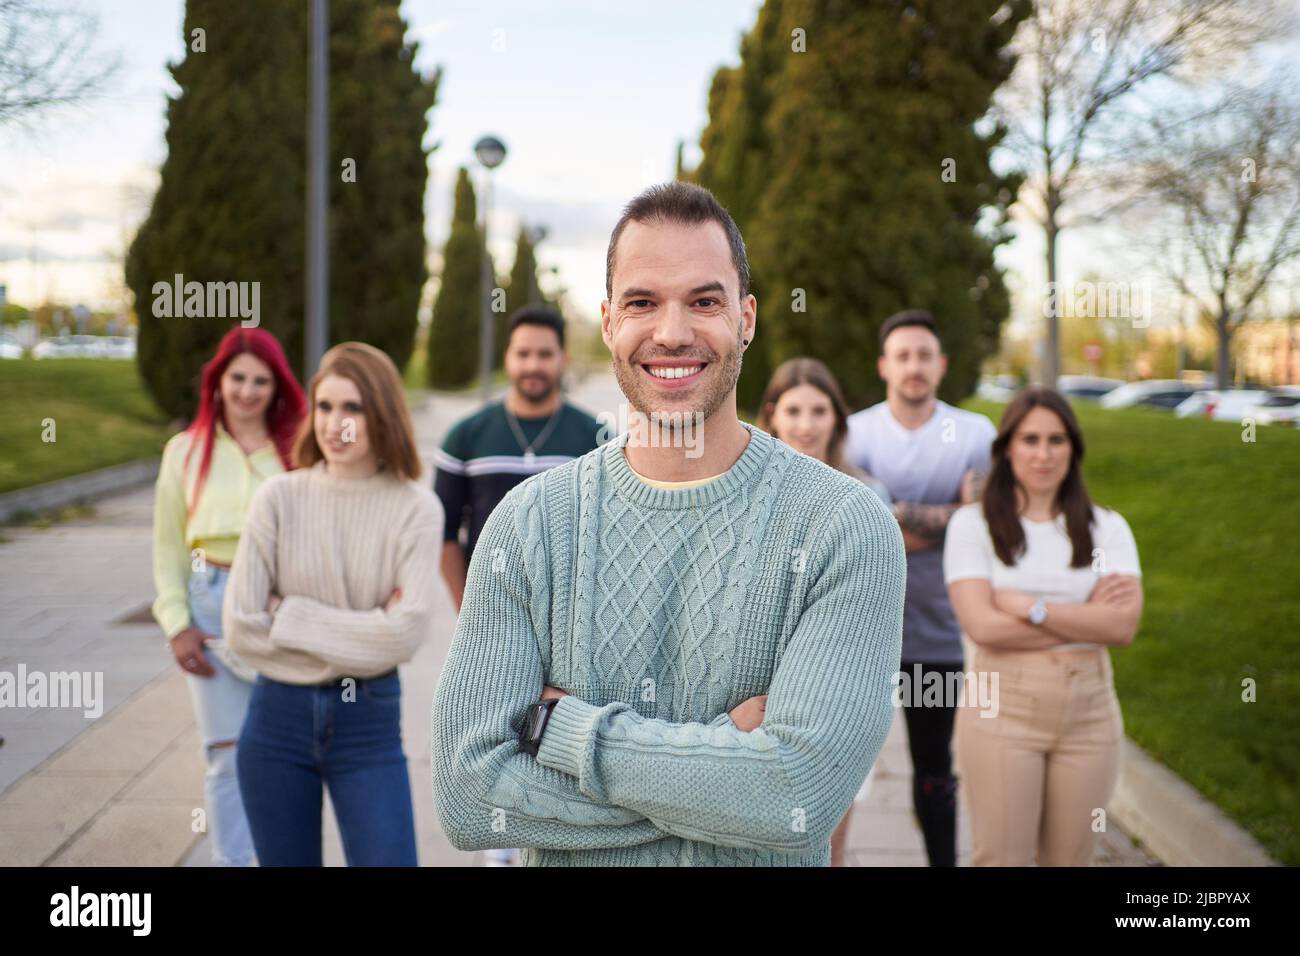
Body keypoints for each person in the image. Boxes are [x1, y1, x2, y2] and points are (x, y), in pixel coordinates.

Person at [431, 181, 905, 867]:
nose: (673, 332)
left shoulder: (843, 527)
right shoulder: (528, 524)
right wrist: (724, 769)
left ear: (746, 318)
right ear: (607, 323)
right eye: (643, 302)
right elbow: (470, 797)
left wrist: (564, 730)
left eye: (704, 301)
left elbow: (796, 800)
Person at [223, 342, 443, 866]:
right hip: (276, 719)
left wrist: (287, 614)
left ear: (382, 413)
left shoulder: (416, 508)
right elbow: (239, 627)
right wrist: (364, 629)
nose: (334, 424)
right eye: (324, 407)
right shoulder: (278, 498)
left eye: (353, 408)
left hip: (367, 723)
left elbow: (404, 633)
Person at [433, 304, 604, 866]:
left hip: (577, 629)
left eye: (545, 353)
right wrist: (471, 615)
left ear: (562, 358)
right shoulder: (466, 436)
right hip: (495, 621)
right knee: (493, 744)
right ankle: (502, 853)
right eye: (523, 353)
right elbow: (445, 536)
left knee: (562, 739)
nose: (533, 364)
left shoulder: (596, 436)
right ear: (509, 357)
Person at [944, 386, 1143, 866]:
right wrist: (1086, 619)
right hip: (1003, 711)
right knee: (1002, 859)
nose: (1043, 453)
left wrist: (1032, 609)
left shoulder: (1106, 528)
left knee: (1071, 860)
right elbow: (984, 627)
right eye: (1030, 439)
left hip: (1090, 713)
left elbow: (1122, 626)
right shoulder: (973, 526)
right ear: (1008, 447)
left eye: (1056, 440)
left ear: (1072, 448)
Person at [845, 309, 996, 866]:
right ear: (884, 365)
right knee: (839, 764)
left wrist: (896, 515)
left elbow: (986, 526)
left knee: (935, 770)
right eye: (903, 355)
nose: (914, 366)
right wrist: (951, 515)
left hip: (938, 631)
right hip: (857, 634)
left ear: (942, 365)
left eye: (924, 356)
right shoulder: (855, 432)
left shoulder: (975, 434)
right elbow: (860, 534)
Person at [151, 326, 306, 867]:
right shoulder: (183, 453)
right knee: (225, 755)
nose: (247, 391)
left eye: (261, 380)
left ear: (276, 386)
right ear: (217, 381)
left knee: (283, 753)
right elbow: (167, 546)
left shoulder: (295, 450)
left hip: (277, 606)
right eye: (237, 378)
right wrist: (175, 622)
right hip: (210, 601)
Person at [755, 356, 890, 866]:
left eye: (819, 410)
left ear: (837, 417)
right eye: (794, 410)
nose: (806, 424)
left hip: (843, 684)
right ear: (773, 416)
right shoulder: (752, 494)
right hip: (759, 690)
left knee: (830, 831)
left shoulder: (868, 496)